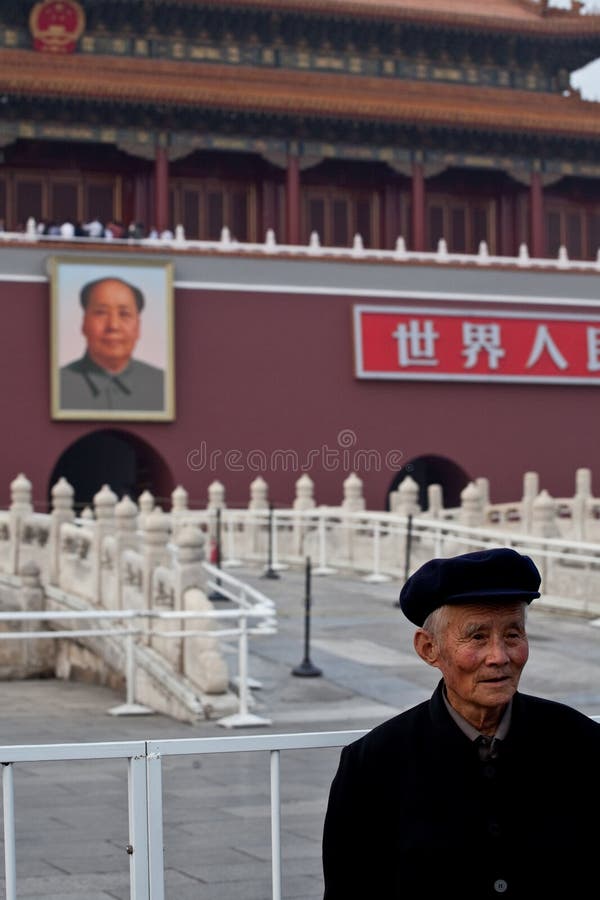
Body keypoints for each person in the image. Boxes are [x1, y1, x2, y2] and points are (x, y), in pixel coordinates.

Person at [322, 546, 600, 899]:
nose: (499, 657)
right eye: (477, 637)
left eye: (513, 635)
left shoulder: (582, 744)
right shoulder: (372, 764)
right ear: (428, 649)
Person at [59, 276, 165, 411]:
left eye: (124, 314)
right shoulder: (57, 385)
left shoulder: (163, 386)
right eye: (101, 313)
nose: (113, 326)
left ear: (138, 327)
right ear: (84, 324)